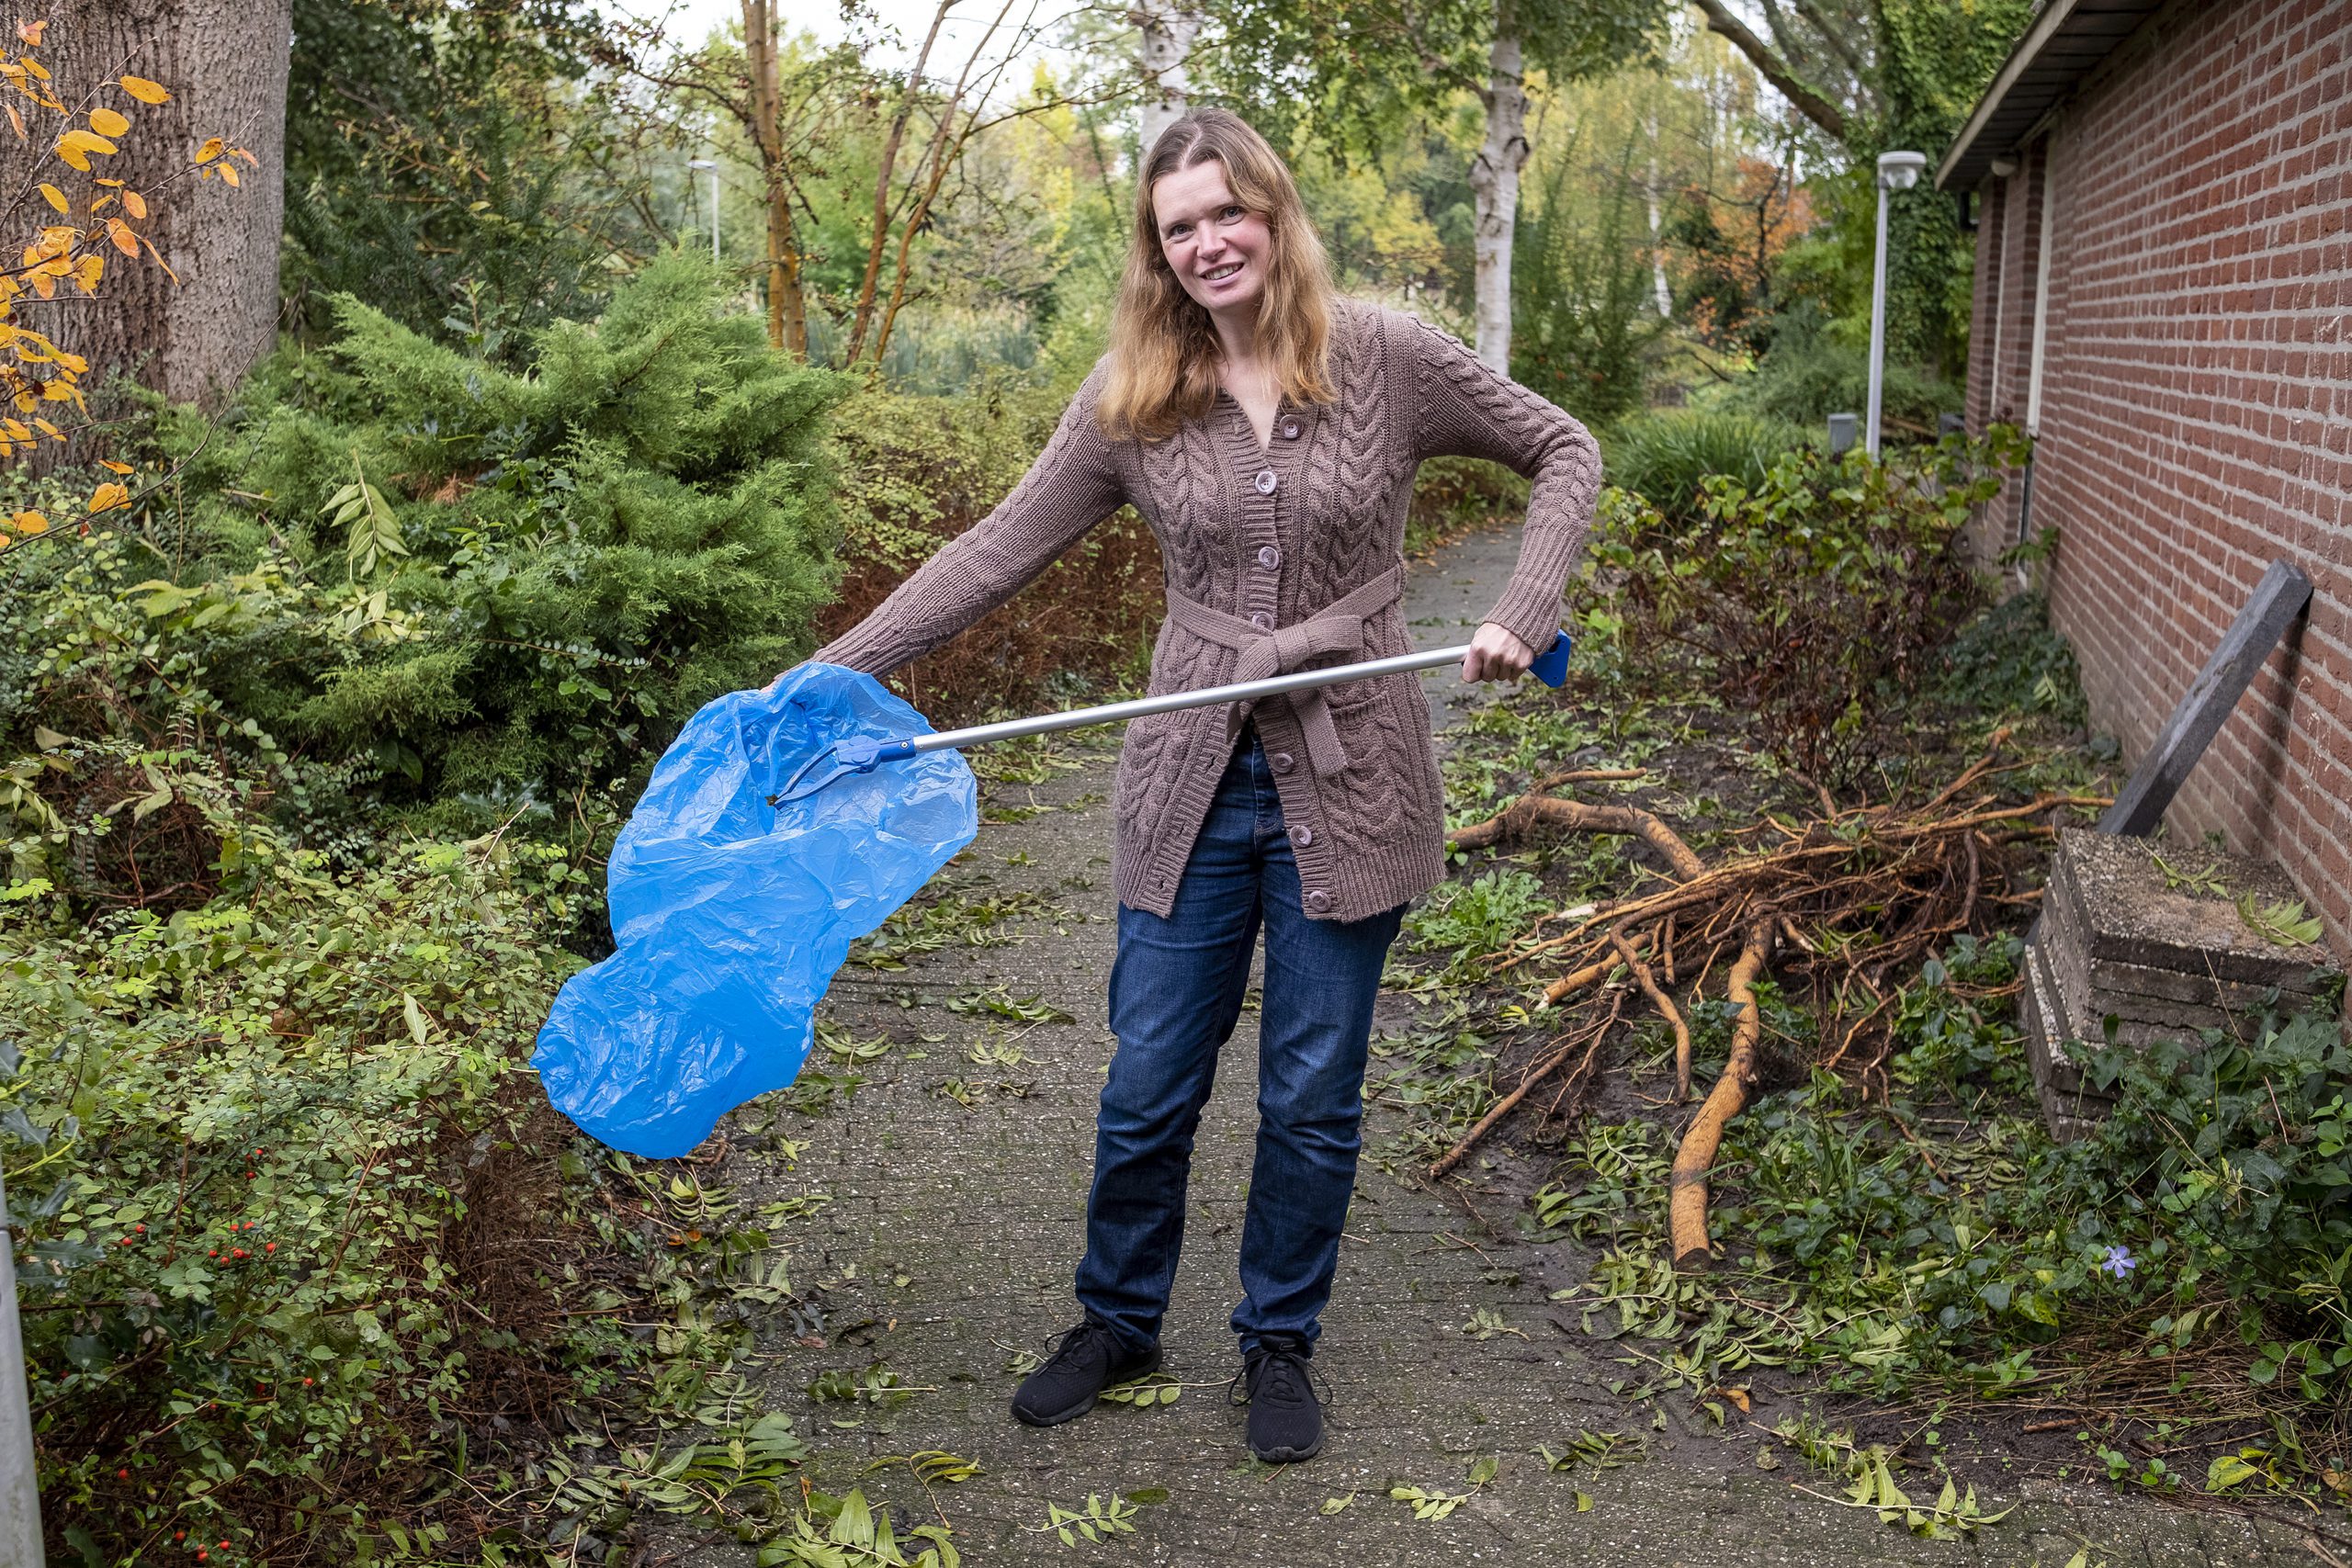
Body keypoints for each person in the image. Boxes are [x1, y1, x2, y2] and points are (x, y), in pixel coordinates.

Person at [802, 107, 1600, 1464]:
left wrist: (1523, 607)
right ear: (1156, 250)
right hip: (1190, 778)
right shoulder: (1132, 396)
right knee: (1149, 1081)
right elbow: (994, 552)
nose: (1209, 242)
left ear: (1274, 214)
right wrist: (820, 682)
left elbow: (1565, 450)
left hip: (1354, 776)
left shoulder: (1388, 355)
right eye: (1180, 226)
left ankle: (1278, 1340)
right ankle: (1118, 1321)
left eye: (1229, 211)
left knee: (1312, 1092)